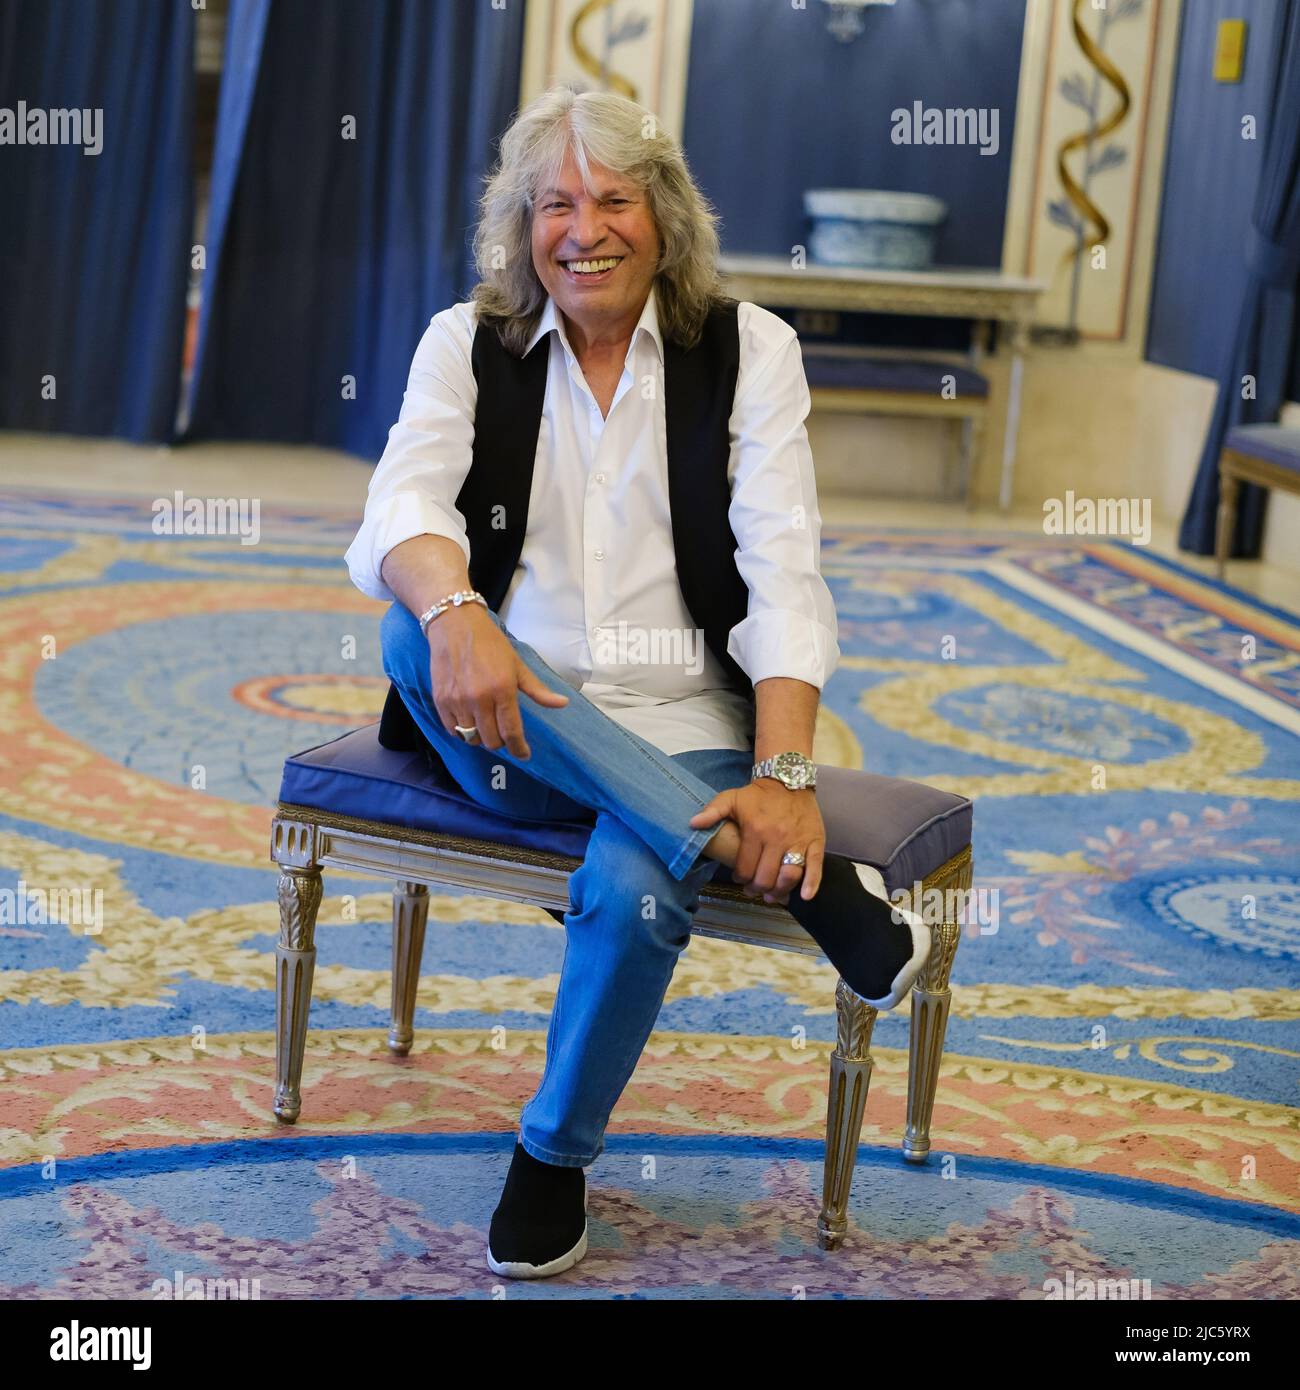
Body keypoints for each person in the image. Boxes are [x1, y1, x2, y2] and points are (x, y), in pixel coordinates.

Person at [344, 84, 930, 1280]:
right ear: (522, 226)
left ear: (664, 216)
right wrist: (457, 611)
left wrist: (783, 775)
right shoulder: (465, 342)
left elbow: (783, 572)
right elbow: (398, 506)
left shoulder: (749, 351)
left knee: (633, 878)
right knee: (411, 624)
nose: (583, 230)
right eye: (554, 204)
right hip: (510, 723)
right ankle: (811, 891)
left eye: (613, 199)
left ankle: (550, 1157)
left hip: (691, 727)